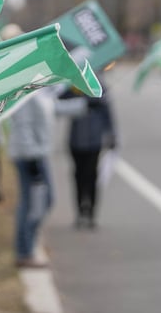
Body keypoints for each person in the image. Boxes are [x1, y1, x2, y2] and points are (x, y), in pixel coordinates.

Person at [7, 91, 56, 268]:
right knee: (34, 203)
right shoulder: (27, 91)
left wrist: (82, 106)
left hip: (37, 153)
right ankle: (24, 251)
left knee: (38, 202)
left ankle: (27, 248)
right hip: (29, 156)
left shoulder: (41, 90)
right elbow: (22, 125)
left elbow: (52, 108)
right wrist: (31, 158)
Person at [59, 82, 116, 229]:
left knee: (92, 176)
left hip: (94, 140)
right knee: (78, 176)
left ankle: (91, 213)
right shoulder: (73, 85)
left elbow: (107, 112)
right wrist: (72, 88)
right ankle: (79, 212)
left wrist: (111, 135)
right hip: (76, 140)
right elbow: (61, 99)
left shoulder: (100, 86)